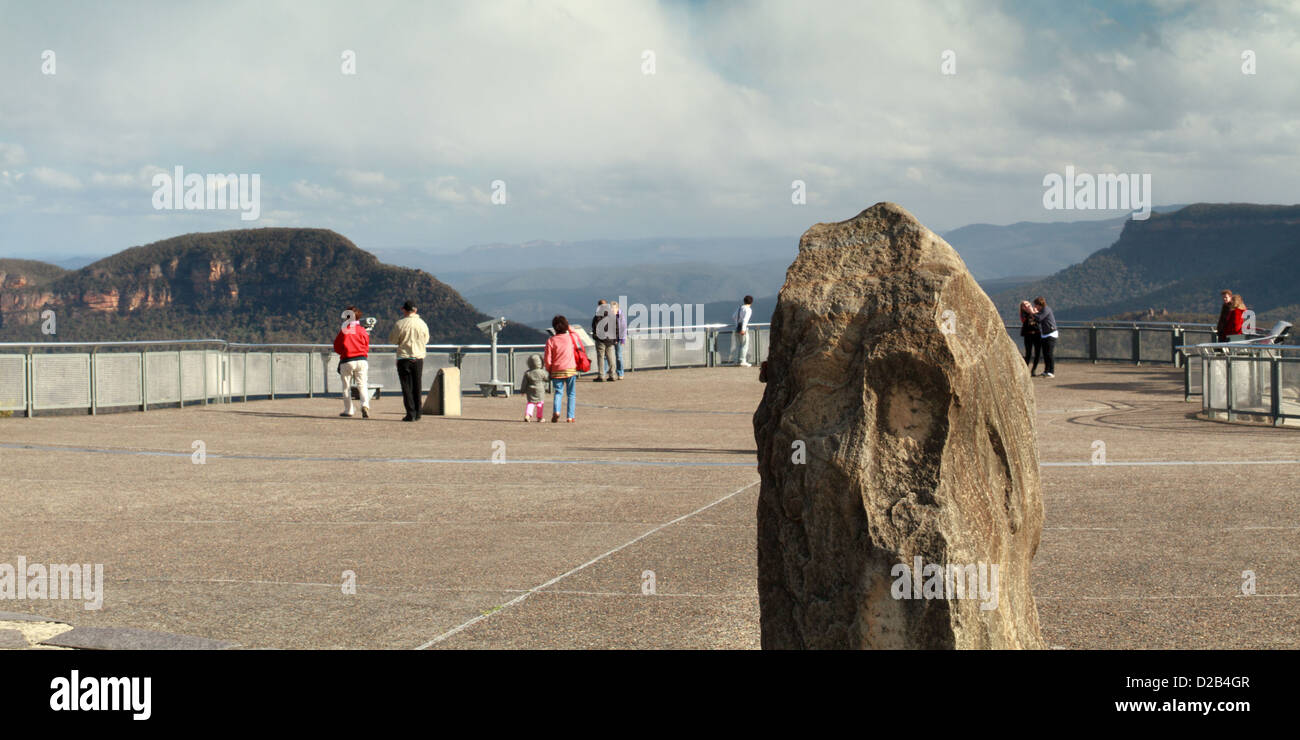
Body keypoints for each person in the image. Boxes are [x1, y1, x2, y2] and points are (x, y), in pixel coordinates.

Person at [389, 300, 430, 422]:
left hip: (404, 358)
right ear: (415, 310)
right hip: (418, 358)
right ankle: (418, 412)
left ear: (404, 310)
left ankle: (410, 413)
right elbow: (426, 339)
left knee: (406, 386)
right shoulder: (422, 324)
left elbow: (393, 340)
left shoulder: (400, 324)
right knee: (417, 385)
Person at [333, 306, 371, 418]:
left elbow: (337, 346)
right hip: (362, 360)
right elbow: (366, 345)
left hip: (347, 360)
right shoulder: (362, 330)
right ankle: (365, 405)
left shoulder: (345, 330)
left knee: (346, 386)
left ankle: (348, 410)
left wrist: (343, 353)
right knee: (362, 384)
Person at [543, 315, 579, 423]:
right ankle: (570, 417)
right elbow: (576, 335)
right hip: (570, 369)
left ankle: (557, 411)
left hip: (556, 370)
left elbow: (547, 358)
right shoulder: (571, 338)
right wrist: (569, 328)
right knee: (571, 393)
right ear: (566, 326)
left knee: (558, 392)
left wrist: (549, 369)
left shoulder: (551, 340)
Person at [591, 299, 617, 382]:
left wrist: (595, 336)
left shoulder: (597, 316)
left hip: (600, 339)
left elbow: (595, 327)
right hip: (610, 340)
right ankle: (613, 375)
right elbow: (616, 327)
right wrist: (615, 338)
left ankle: (601, 375)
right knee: (611, 357)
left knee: (600, 357)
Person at [1032, 296, 1057, 378]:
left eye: (1036, 305)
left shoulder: (1046, 309)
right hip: (1044, 334)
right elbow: (1036, 320)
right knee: (1045, 354)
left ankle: (1051, 371)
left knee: (1049, 353)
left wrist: (1031, 312)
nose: (1035, 307)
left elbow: (1039, 318)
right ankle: (1046, 371)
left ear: (1040, 304)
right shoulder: (1041, 311)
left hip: (1051, 334)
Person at [520, 353, 548, 422]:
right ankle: (539, 417)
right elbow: (547, 379)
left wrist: (523, 391)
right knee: (540, 403)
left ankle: (528, 415)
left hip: (530, 390)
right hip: (540, 390)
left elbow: (524, 383)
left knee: (530, 403)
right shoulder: (542, 372)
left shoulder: (527, 373)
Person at [1019, 300, 1042, 376]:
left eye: (1028, 304)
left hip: (1037, 334)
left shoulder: (1036, 311)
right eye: (1024, 305)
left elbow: (1039, 320)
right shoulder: (1023, 314)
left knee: (1037, 353)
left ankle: (1033, 370)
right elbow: (1024, 321)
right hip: (1028, 335)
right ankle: (1025, 370)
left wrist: (1033, 312)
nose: (1027, 306)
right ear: (1022, 307)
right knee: (1028, 353)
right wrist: (1030, 312)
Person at [732, 295, 754, 367]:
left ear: (744, 301)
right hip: (743, 328)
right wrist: (743, 329)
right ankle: (742, 361)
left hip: (737, 327)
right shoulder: (748, 310)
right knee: (744, 345)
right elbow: (745, 320)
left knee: (738, 345)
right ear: (751, 302)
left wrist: (736, 324)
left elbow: (734, 316)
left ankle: (737, 361)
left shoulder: (740, 308)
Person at [611, 300, 627, 379]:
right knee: (607, 357)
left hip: (618, 339)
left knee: (618, 356)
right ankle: (608, 373)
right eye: (611, 309)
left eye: (613, 308)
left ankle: (620, 372)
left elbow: (623, 328)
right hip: (610, 339)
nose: (612, 310)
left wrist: (623, 339)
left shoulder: (621, 316)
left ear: (617, 308)